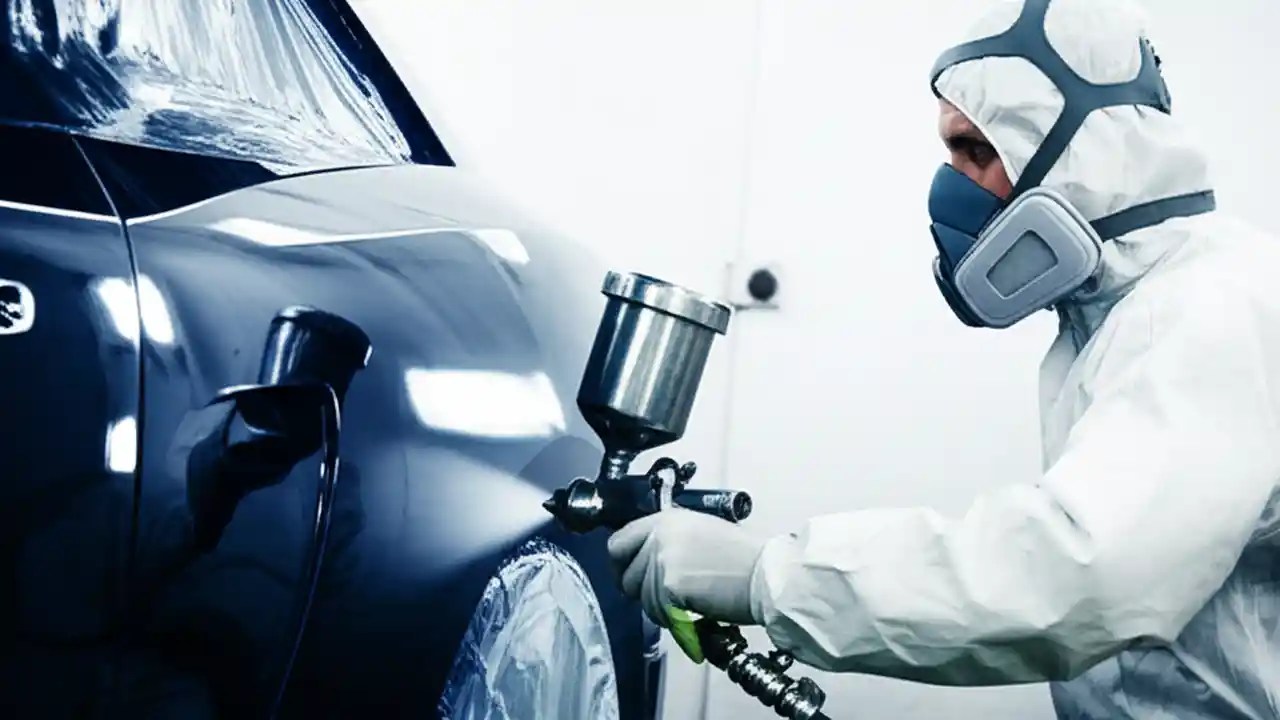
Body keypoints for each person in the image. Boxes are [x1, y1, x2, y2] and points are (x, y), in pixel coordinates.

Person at [606, 0, 1280, 716]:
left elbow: (1080, 575)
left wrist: (769, 577)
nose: (952, 187)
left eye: (976, 151)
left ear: (1079, 154)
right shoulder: (1115, 319)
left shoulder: (1210, 306)